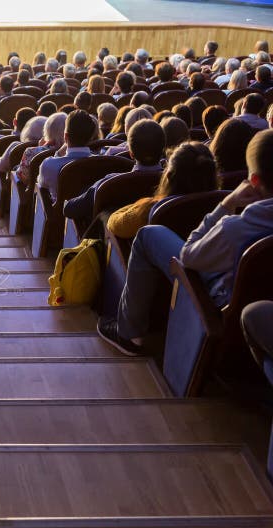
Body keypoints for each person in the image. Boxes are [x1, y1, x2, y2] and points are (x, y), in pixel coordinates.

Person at [97, 129, 273, 355]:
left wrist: (225, 206)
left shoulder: (234, 227)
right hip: (254, 300)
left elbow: (188, 256)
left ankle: (129, 334)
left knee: (147, 235)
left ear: (254, 180)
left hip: (220, 300)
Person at [64, 119, 165, 229]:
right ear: (163, 149)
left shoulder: (109, 183)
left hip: (114, 244)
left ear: (131, 153)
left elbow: (70, 209)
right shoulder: (175, 183)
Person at [107, 142, 218, 239]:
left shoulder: (152, 209)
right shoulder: (224, 205)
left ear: (169, 177)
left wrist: (141, 204)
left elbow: (114, 224)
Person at [37, 109, 97, 202]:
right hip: (88, 215)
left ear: (65, 136)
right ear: (91, 137)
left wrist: (57, 154)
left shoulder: (49, 164)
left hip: (57, 215)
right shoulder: (101, 162)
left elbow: (42, 186)